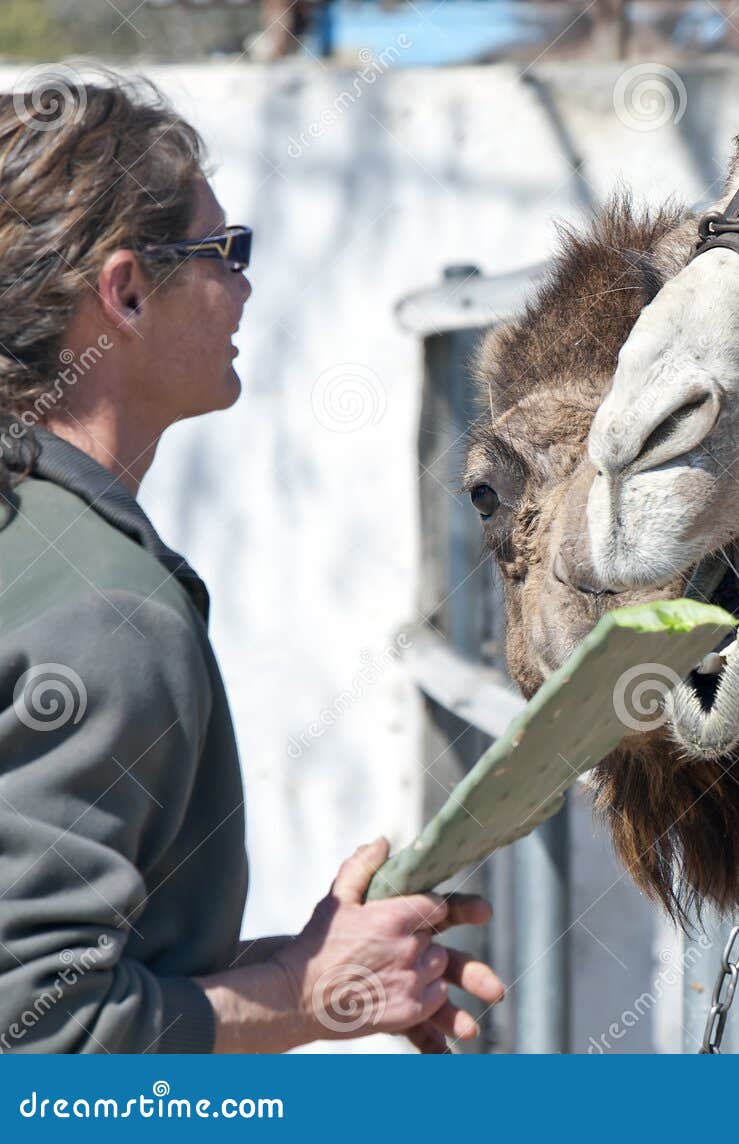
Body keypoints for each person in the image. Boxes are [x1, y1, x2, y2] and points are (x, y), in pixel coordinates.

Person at [0, 71, 504, 1053]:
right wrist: (305, 995)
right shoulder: (108, 613)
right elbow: (40, 1042)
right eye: (223, 251)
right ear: (128, 291)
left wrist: (326, 968)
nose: (242, 283)